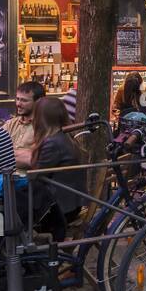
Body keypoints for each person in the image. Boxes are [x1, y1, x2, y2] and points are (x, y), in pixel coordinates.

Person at [29, 97, 88, 238]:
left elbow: (35, 178)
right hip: (71, 205)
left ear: (41, 118)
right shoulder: (65, 138)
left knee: (12, 205)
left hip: (58, 211)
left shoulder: (52, 143)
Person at [3, 80, 45, 167]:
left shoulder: (44, 126)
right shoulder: (11, 123)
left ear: (38, 102)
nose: (18, 104)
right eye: (17, 99)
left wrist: (5, 155)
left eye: (24, 100)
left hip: (28, 174)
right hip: (5, 172)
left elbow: (34, 159)